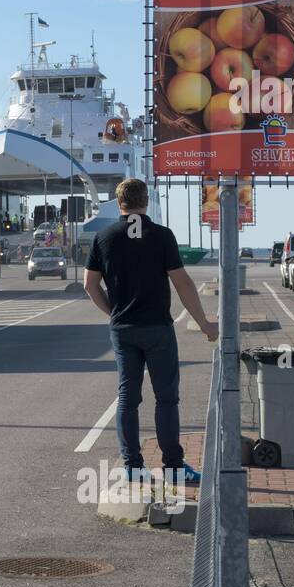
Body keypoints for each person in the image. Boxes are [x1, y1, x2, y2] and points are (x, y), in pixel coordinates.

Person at [84, 179, 217, 483]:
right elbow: (182, 283)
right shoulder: (162, 236)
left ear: (119, 203)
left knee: (128, 397)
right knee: (166, 398)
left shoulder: (103, 237)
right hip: (157, 328)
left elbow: (90, 286)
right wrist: (204, 323)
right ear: (145, 201)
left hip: (123, 329)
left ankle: (132, 467)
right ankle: (173, 467)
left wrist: (114, 312)